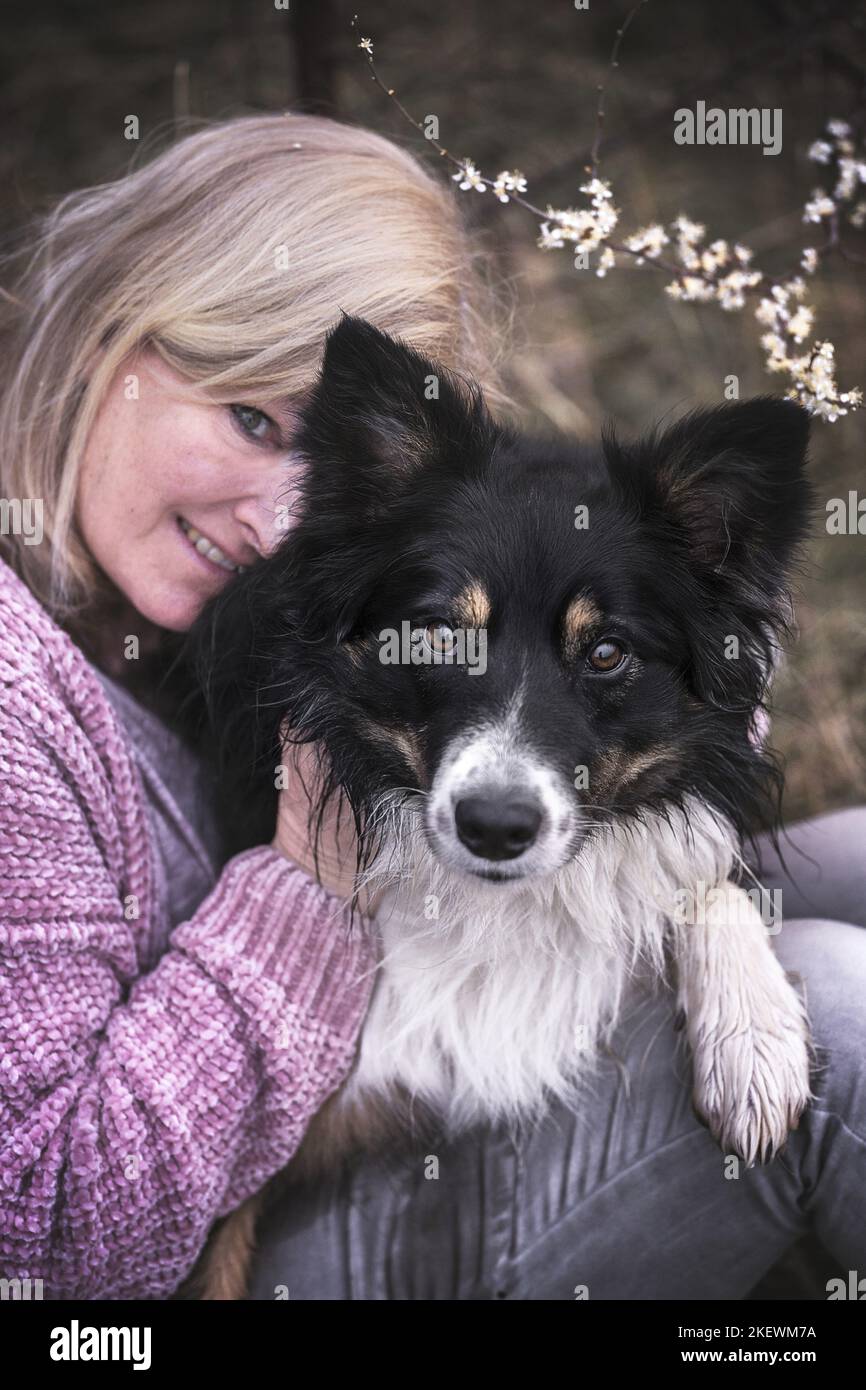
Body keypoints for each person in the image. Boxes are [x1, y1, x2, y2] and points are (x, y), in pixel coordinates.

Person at [0, 113, 863, 1302]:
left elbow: (643, 662)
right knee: (840, 1013)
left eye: (322, 469)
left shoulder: (193, 596)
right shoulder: (18, 702)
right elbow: (51, 1248)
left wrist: (700, 877)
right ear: (110, 325)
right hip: (280, 1229)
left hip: (456, 1040)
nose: (272, 524)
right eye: (248, 420)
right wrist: (304, 887)